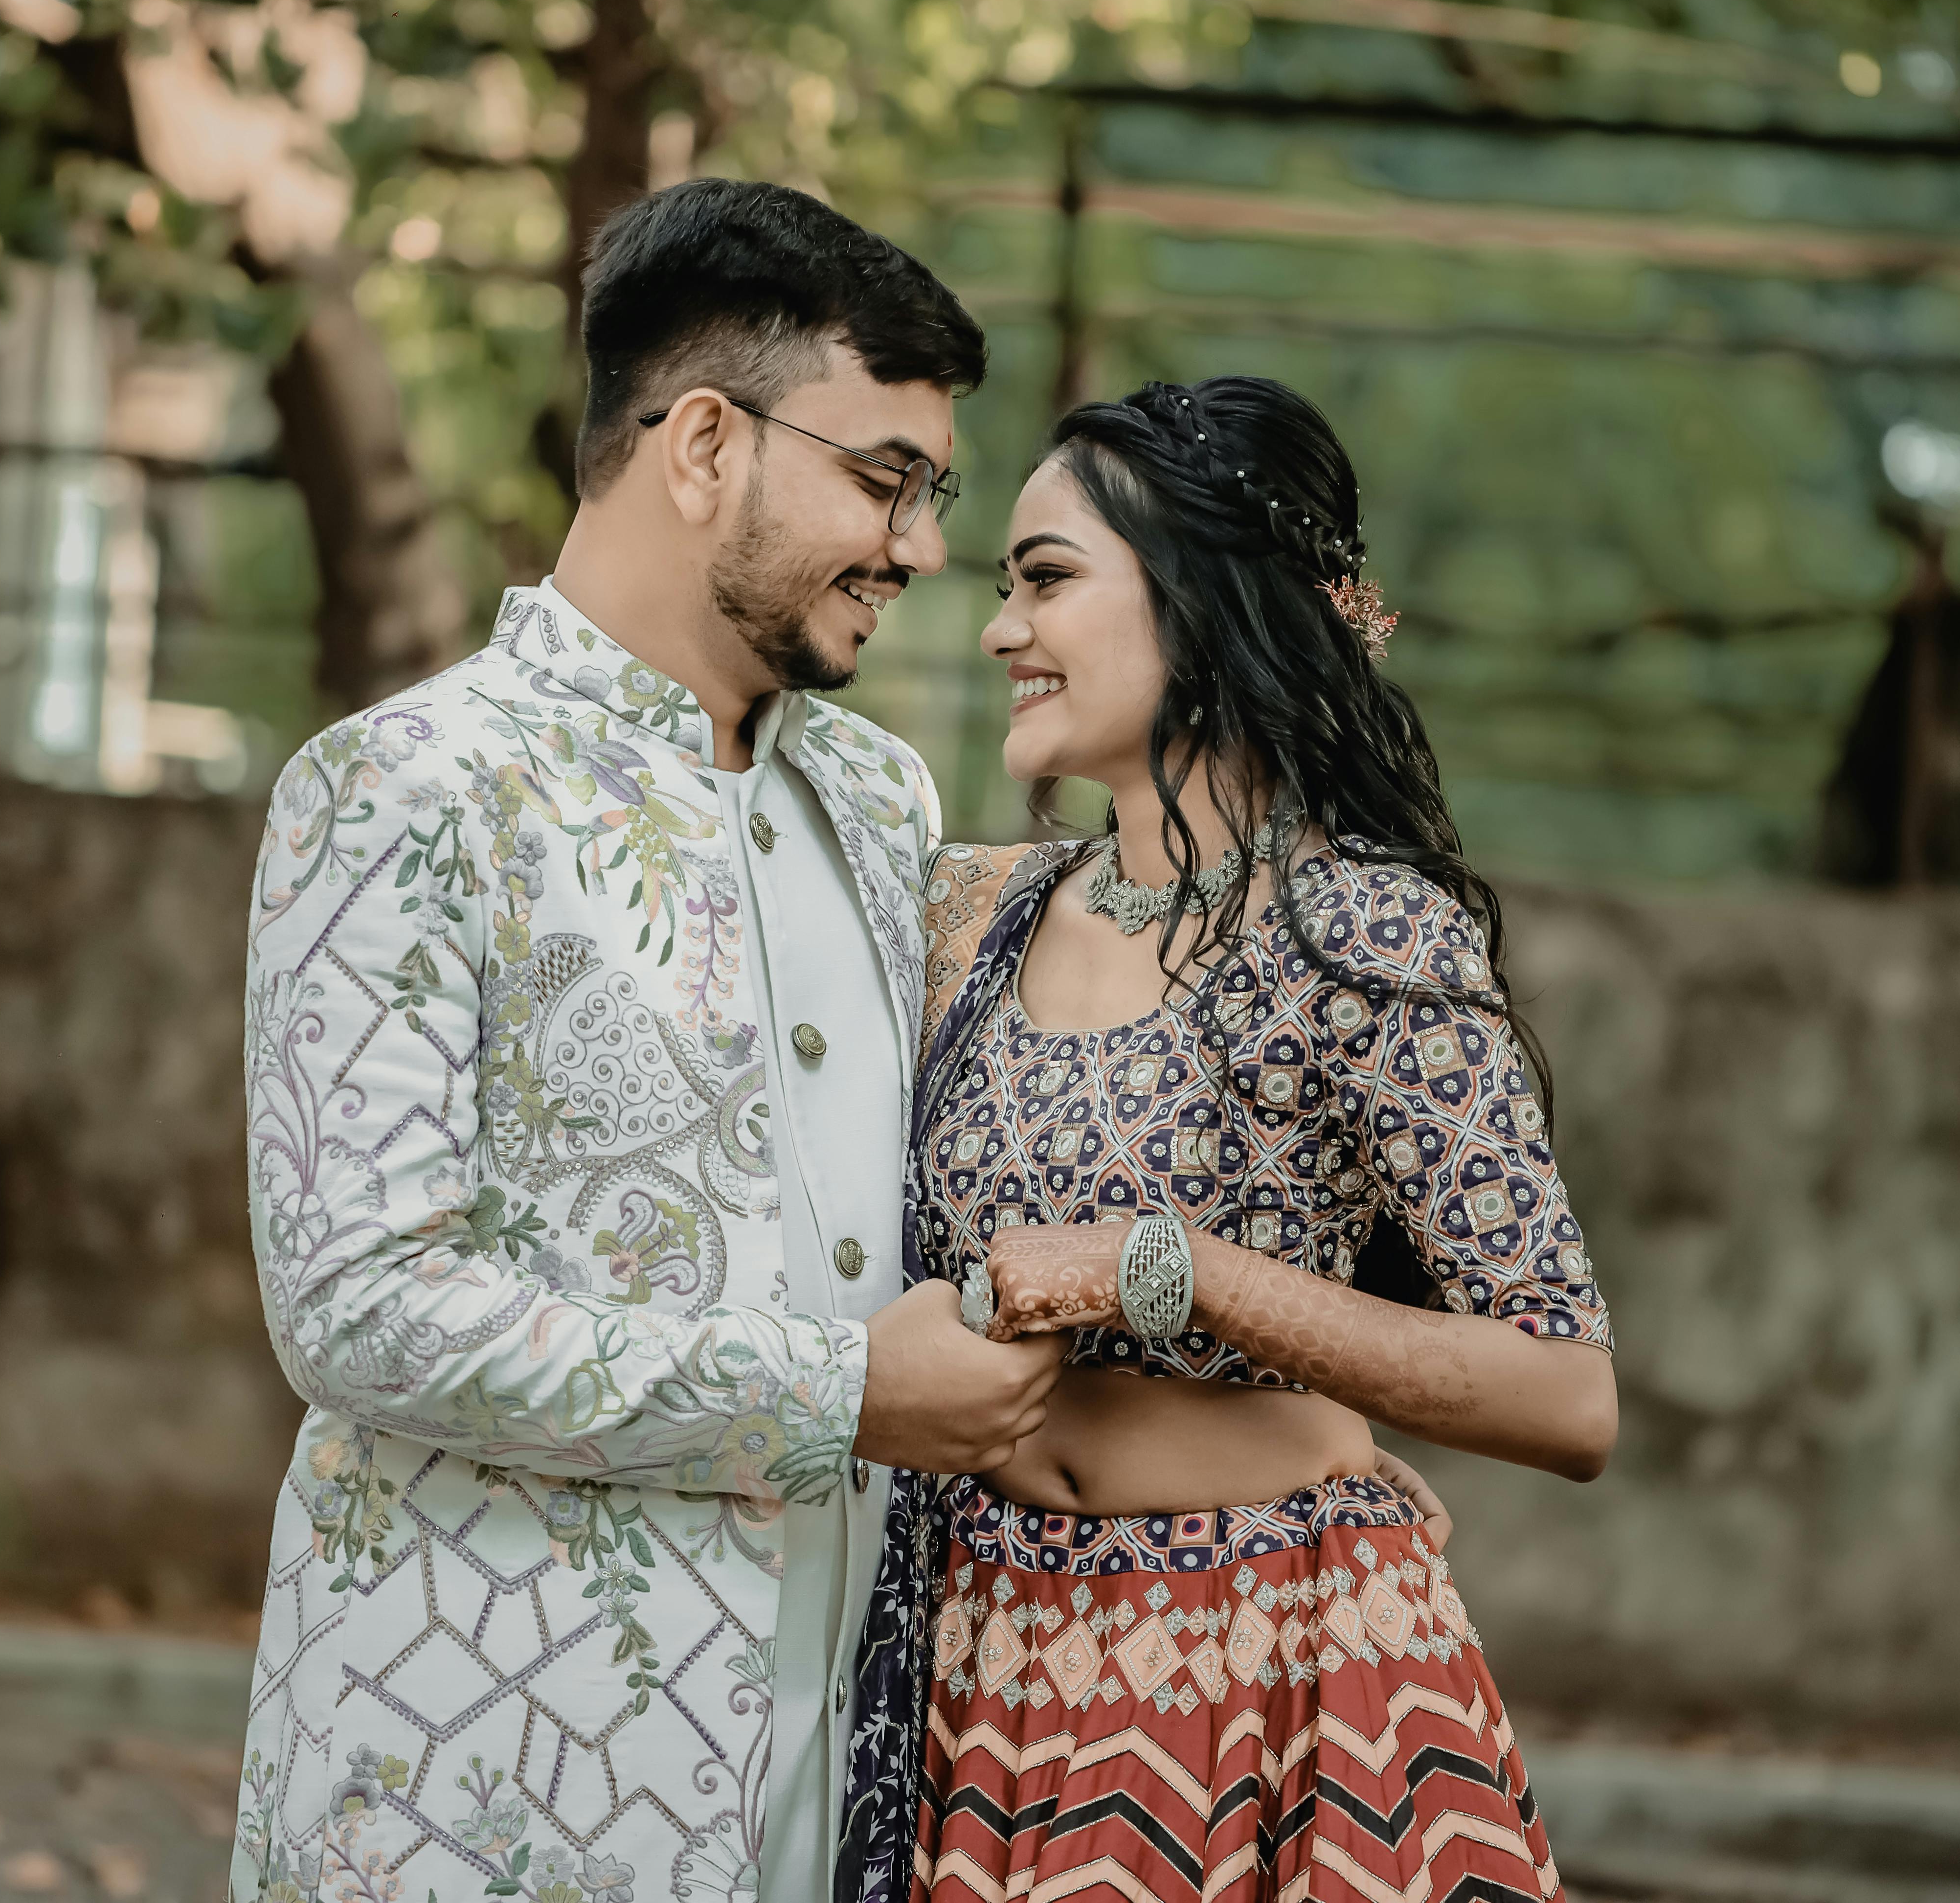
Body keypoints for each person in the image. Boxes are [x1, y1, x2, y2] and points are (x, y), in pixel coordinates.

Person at [231, 179, 1068, 1903]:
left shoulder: (877, 801)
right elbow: (360, 1308)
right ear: (703, 444)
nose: (921, 548)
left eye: (939, 494)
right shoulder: (407, 787)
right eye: (884, 479)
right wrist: (842, 1393)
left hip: (832, 1787)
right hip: (481, 1795)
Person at [836, 378, 1619, 1903]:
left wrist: (1176, 1273)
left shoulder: (1362, 932)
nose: (1003, 630)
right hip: (978, 1666)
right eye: (1004, 587)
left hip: (1273, 1671)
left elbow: (1567, 1392)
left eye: (1048, 578)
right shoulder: (968, 915)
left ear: (1201, 604)